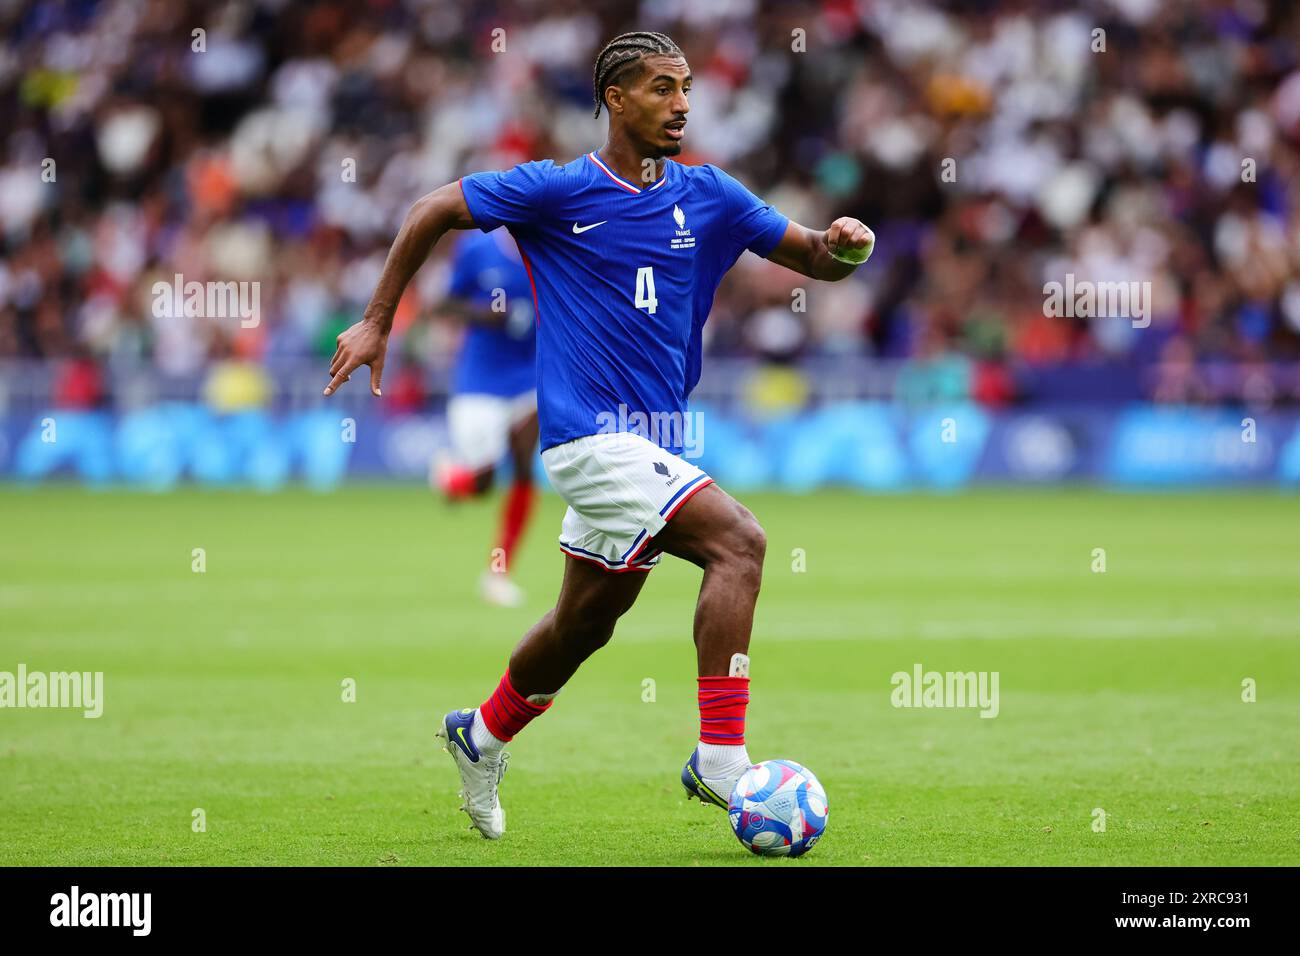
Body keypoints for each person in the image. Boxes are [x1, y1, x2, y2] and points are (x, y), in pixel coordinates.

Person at [324, 31, 874, 839]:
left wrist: (844, 248)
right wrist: (377, 322)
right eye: (660, 89)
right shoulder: (556, 190)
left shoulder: (712, 196)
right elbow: (432, 208)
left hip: (660, 445)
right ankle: (721, 757)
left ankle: (479, 736)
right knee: (740, 545)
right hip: (589, 439)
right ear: (616, 99)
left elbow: (815, 258)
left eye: (685, 88)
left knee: (585, 626)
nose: (681, 103)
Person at [433, 226, 539, 608]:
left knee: (526, 467)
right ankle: (450, 480)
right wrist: (487, 314)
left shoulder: (552, 244)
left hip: (530, 377)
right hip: (480, 381)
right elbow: (445, 305)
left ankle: (499, 573)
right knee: (484, 483)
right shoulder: (477, 249)